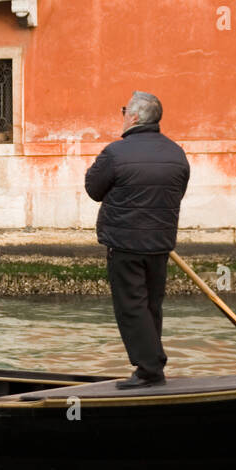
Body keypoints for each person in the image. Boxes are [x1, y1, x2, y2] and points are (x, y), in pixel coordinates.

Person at [85, 91, 190, 389]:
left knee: (132, 306)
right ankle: (153, 364)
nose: (121, 115)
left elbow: (93, 189)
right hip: (159, 243)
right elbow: (176, 193)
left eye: (124, 110)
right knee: (151, 305)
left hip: (125, 243)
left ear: (133, 117)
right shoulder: (176, 153)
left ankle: (149, 370)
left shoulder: (115, 153)